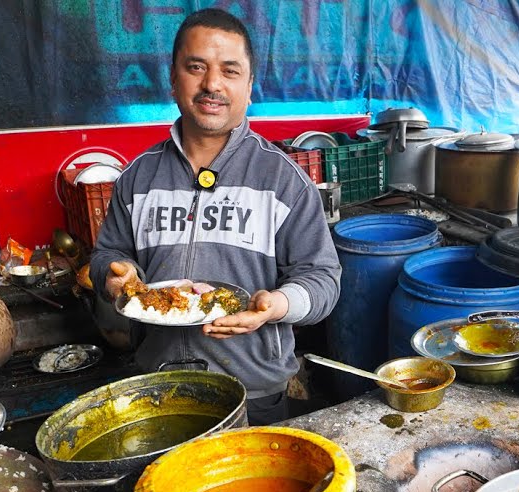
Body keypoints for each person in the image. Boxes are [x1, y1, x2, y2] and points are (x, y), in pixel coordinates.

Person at [89, 8, 341, 425]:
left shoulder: (283, 179)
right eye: (196, 67)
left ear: (249, 86)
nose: (212, 84)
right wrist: (116, 275)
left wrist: (276, 305)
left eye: (229, 70)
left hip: (253, 392)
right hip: (160, 388)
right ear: (173, 78)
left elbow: (324, 280)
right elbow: (107, 255)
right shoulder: (137, 177)